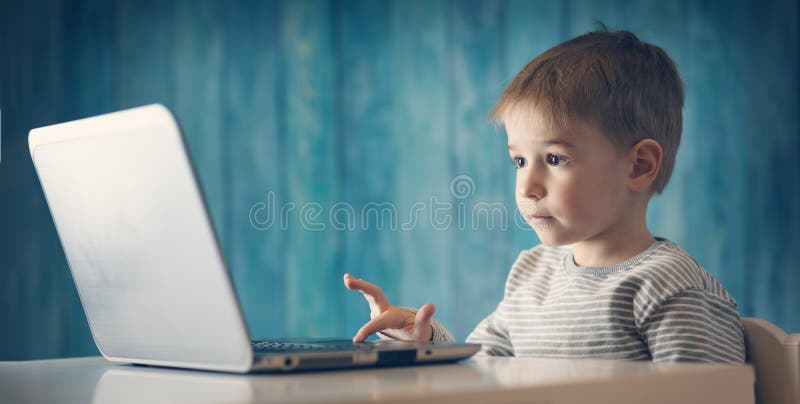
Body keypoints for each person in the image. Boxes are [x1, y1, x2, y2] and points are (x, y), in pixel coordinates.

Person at [344, 29, 745, 363]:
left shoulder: (669, 289)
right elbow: (481, 367)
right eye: (519, 161)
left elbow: (713, 393)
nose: (526, 186)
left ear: (638, 166)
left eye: (555, 158)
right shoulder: (532, 273)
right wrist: (424, 337)